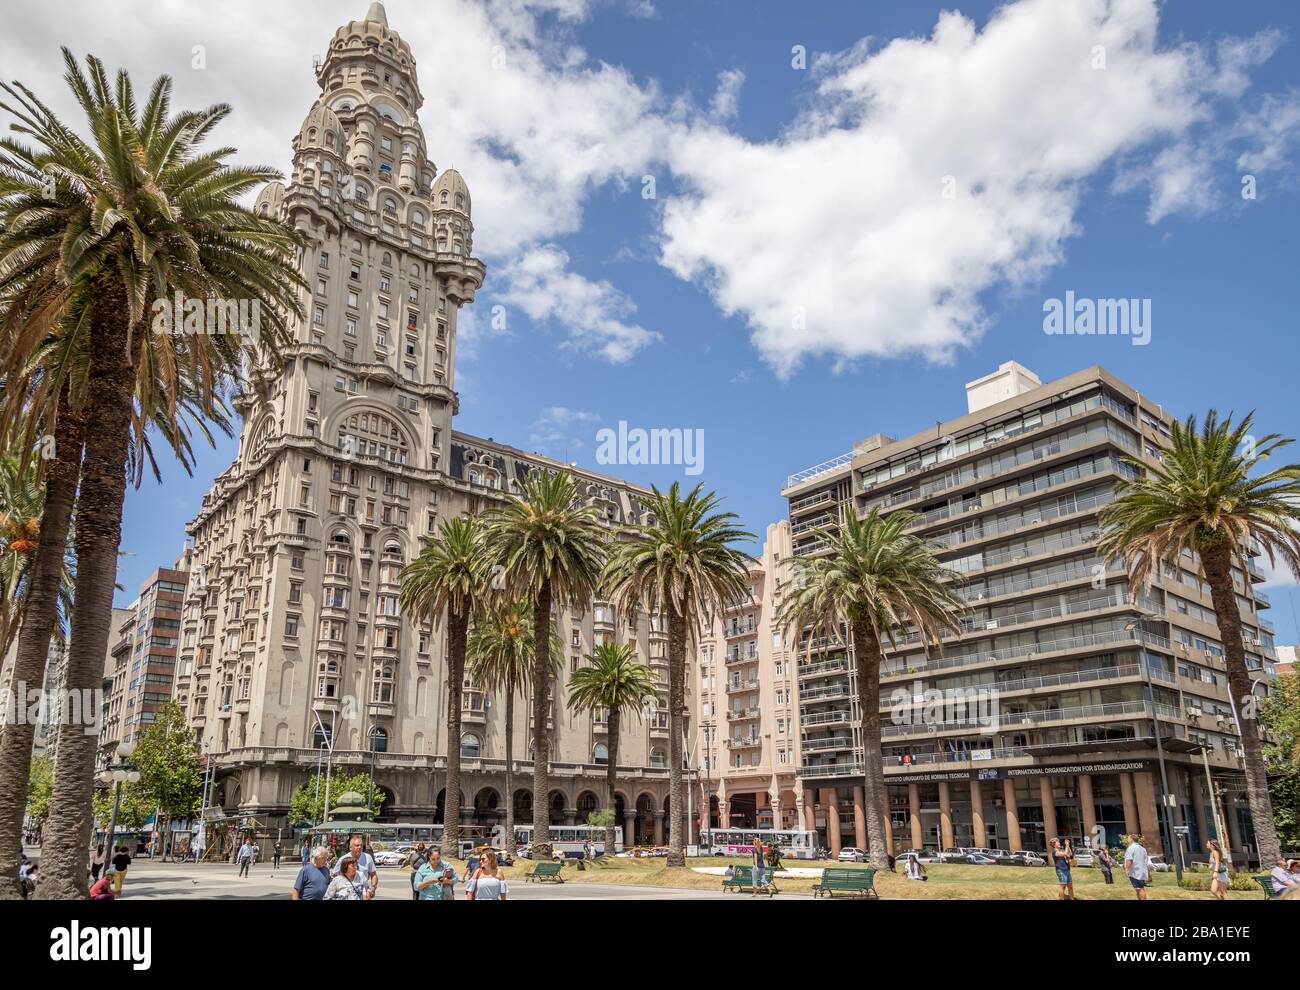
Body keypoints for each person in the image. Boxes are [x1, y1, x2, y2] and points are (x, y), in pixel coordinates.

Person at [330, 834, 378, 900]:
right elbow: (333, 875)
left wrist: (373, 888)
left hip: (363, 892)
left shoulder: (368, 858)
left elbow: (374, 874)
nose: (359, 847)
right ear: (350, 848)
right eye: (357, 845)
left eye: (361, 845)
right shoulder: (343, 859)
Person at [1124, 834, 1151, 901]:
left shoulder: (1131, 848)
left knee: (1139, 888)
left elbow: (1129, 860)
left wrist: (1127, 869)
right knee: (1138, 888)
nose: (1127, 840)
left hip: (1135, 872)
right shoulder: (1143, 848)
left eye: (1128, 838)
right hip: (1141, 871)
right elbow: (1146, 860)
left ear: (1131, 839)